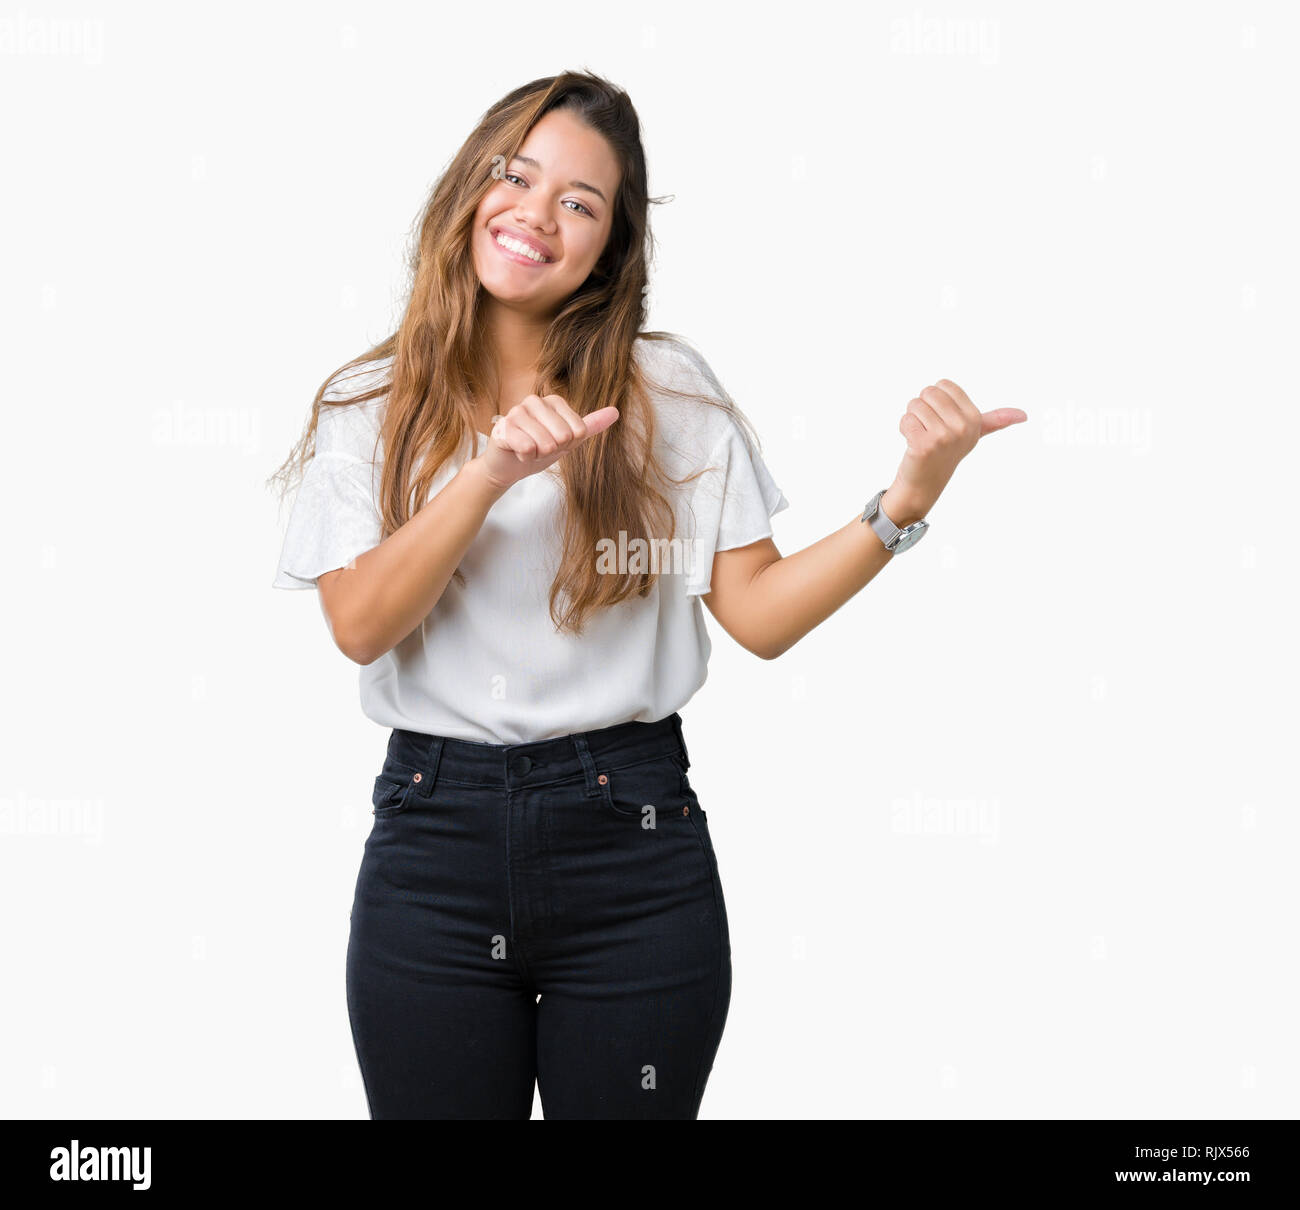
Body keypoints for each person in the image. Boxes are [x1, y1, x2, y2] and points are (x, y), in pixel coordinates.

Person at [268, 70, 1026, 1120]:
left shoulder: (666, 393)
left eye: (579, 202)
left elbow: (755, 616)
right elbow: (360, 626)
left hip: (631, 846)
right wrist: (485, 477)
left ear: (611, 247)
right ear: (469, 189)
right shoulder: (369, 405)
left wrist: (902, 501)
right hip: (431, 849)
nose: (536, 212)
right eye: (515, 175)